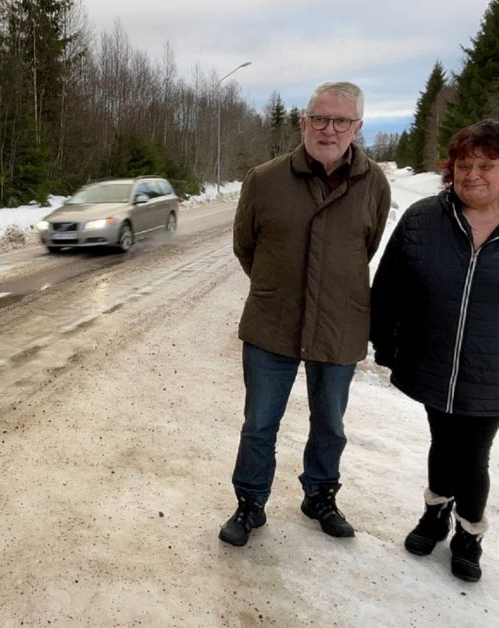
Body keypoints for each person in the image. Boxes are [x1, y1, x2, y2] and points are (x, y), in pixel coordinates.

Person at [370, 119, 499, 582]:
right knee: (442, 442)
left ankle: (469, 533)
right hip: (431, 363)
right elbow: (388, 290)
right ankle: (434, 514)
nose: (472, 175)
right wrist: (387, 345)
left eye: (486, 165)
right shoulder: (424, 218)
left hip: (493, 373)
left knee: (472, 454)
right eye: (463, 165)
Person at [220, 81, 391, 547]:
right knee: (259, 423)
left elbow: (367, 248)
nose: (328, 129)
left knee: (331, 424)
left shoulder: (373, 182)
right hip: (272, 324)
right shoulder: (265, 178)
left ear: (357, 127)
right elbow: (245, 247)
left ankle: (320, 495)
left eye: (340, 121)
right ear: (303, 122)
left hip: (339, 325)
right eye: (319, 118)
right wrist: (279, 288)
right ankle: (250, 504)